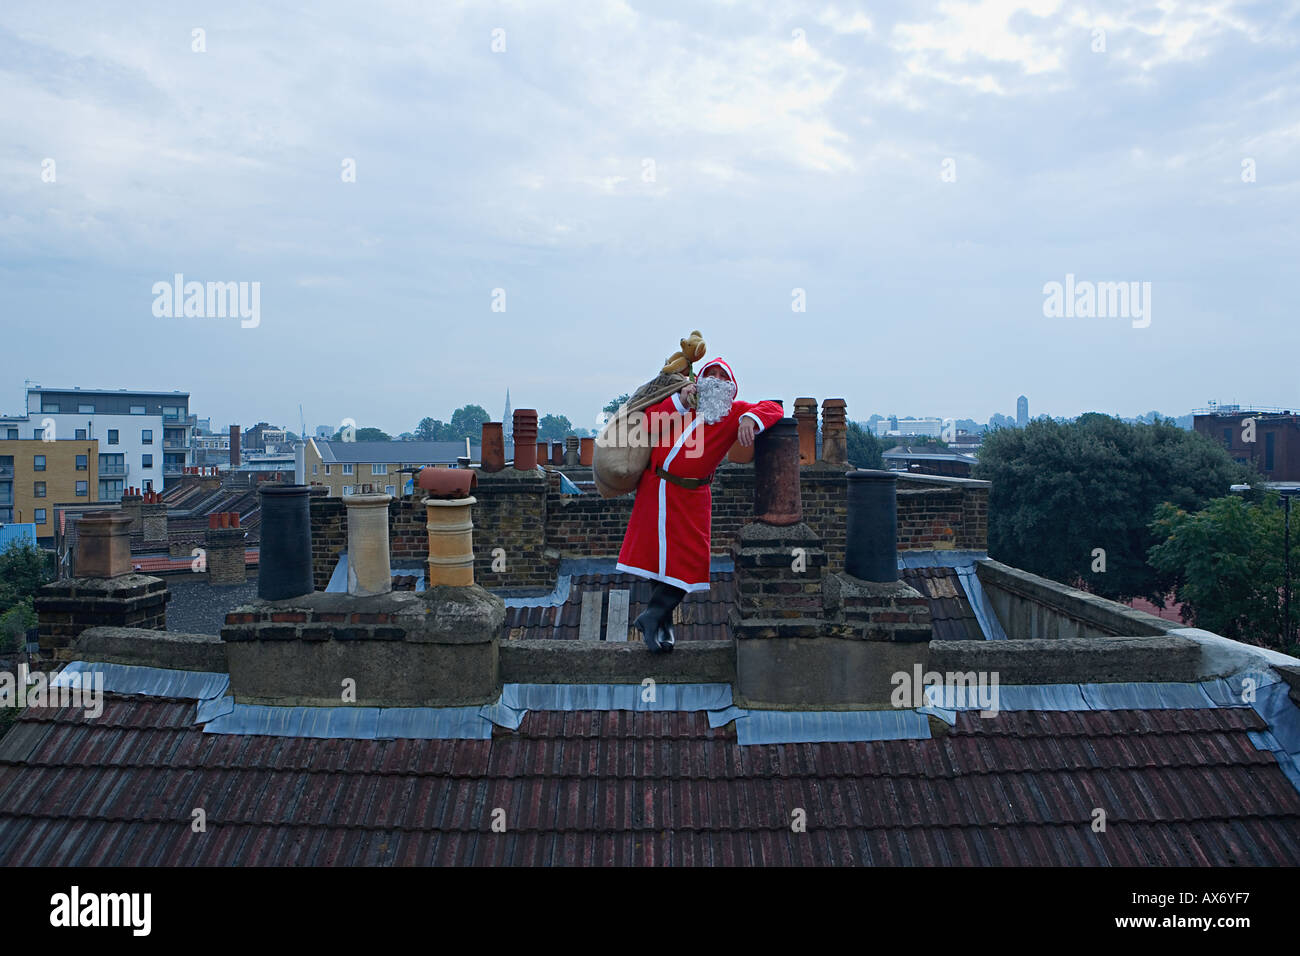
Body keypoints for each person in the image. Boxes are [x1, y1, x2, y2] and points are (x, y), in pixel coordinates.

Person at [616, 358, 784, 652]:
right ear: (700, 378)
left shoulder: (734, 412)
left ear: (732, 388)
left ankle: (651, 616)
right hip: (655, 488)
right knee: (659, 560)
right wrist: (679, 401)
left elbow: (775, 408)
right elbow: (649, 421)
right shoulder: (682, 403)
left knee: (690, 560)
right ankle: (662, 628)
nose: (716, 379)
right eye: (711, 374)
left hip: (692, 495)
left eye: (723, 376)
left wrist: (750, 419)